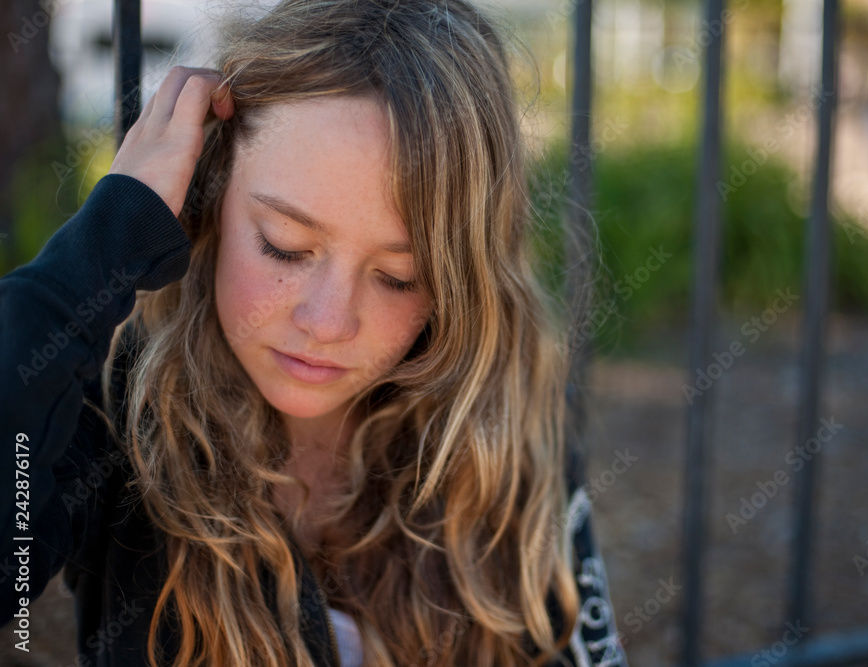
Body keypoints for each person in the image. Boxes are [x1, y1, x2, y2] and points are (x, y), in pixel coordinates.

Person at [0, 0, 629, 665]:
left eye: (397, 275)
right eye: (285, 246)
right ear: (206, 198)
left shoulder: (501, 420)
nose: (327, 321)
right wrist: (100, 248)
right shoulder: (116, 418)